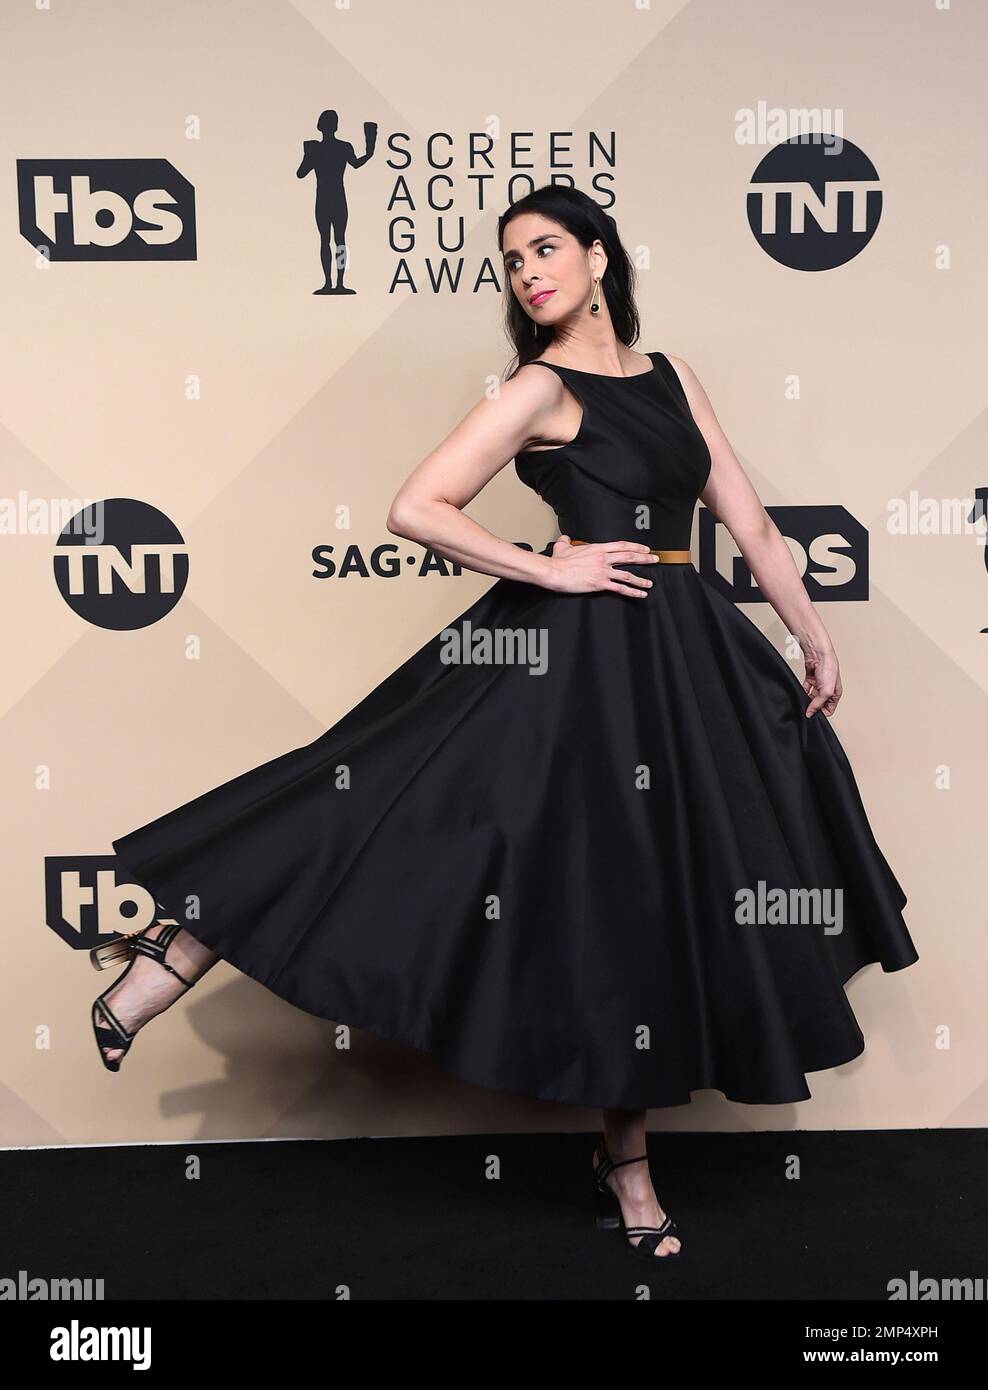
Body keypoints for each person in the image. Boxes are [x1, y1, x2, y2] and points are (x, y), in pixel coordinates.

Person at [96, 184, 918, 1263]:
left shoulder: (671, 378)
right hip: (570, 660)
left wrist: (811, 632)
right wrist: (547, 566)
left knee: (648, 910)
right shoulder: (538, 387)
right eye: (511, 261)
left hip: (685, 659)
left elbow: (747, 519)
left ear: (598, 257)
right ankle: (187, 938)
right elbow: (417, 504)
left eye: (544, 250)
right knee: (389, 801)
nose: (527, 272)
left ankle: (623, 1161)